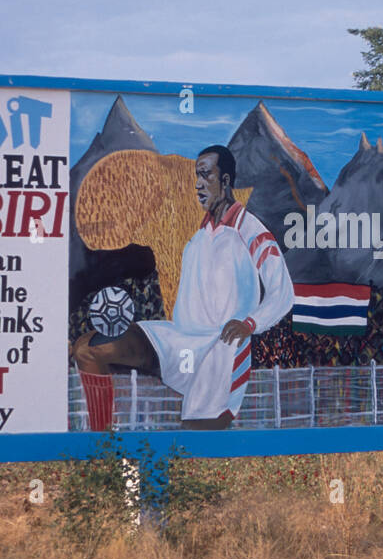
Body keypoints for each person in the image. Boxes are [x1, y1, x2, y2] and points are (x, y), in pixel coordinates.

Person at [73, 145, 293, 431]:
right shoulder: (197, 239)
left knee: (195, 444)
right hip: (178, 342)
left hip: (219, 352)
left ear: (225, 181)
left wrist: (249, 324)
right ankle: (103, 448)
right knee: (88, 349)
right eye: (196, 176)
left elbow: (283, 292)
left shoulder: (252, 232)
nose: (198, 184)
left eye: (206, 176)